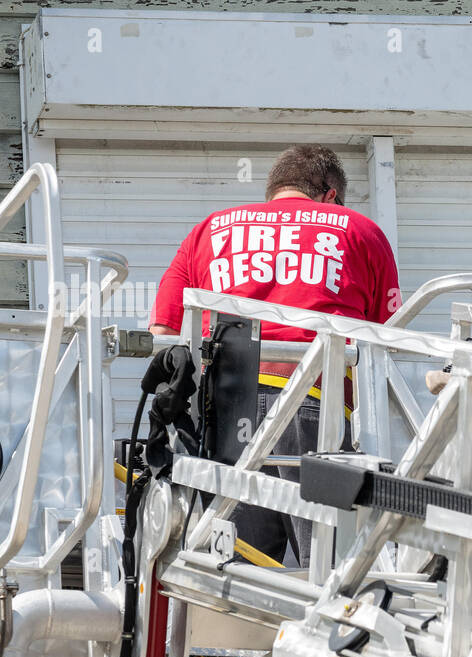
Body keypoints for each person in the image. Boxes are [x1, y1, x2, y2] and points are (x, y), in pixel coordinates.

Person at [149, 144, 399, 566]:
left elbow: (163, 330)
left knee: (235, 571)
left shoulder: (211, 229)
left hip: (226, 414)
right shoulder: (358, 230)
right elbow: (383, 339)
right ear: (332, 196)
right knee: (325, 569)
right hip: (316, 409)